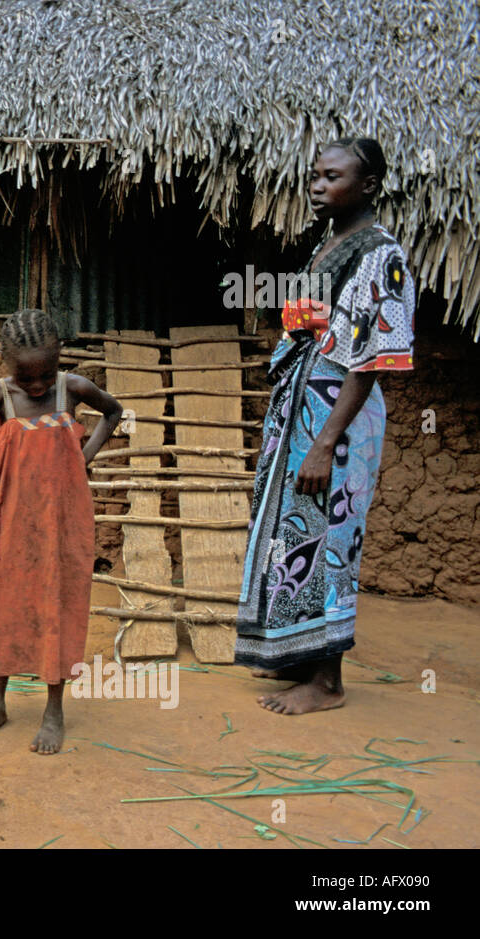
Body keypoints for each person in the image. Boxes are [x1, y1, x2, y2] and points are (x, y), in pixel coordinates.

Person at [236, 137, 415, 715]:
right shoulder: (329, 244)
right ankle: (296, 658)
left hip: (336, 417)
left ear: (367, 186)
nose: (317, 185)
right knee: (296, 533)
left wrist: (324, 444)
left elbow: (368, 363)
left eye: (331, 177)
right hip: (302, 412)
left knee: (331, 539)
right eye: (314, 175)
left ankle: (328, 683)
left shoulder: (380, 254)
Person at [0, 309, 123, 753]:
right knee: (0, 601)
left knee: (58, 602)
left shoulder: (73, 389)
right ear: (7, 364)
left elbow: (113, 411)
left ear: (58, 360)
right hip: (10, 520)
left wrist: (82, 456)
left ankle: (53, 710)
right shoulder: (0, 396)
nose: (37, 387)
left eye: (45, 376)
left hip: (63, 520)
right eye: (26, 379)